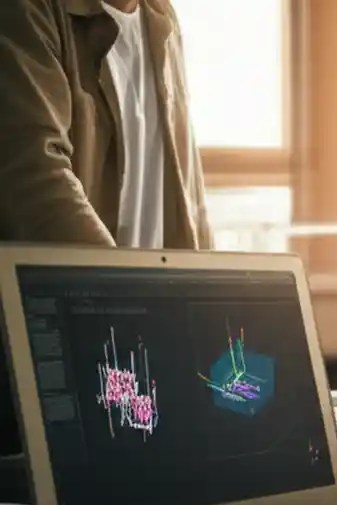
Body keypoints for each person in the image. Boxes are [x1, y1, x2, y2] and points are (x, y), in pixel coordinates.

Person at [0, 0, 211, 468]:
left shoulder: (160, 17)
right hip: (67, 342)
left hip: (141, 347)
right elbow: (34, 177)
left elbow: (185, 189)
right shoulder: (27, 10)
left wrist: (202, 321)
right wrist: (127, 313)